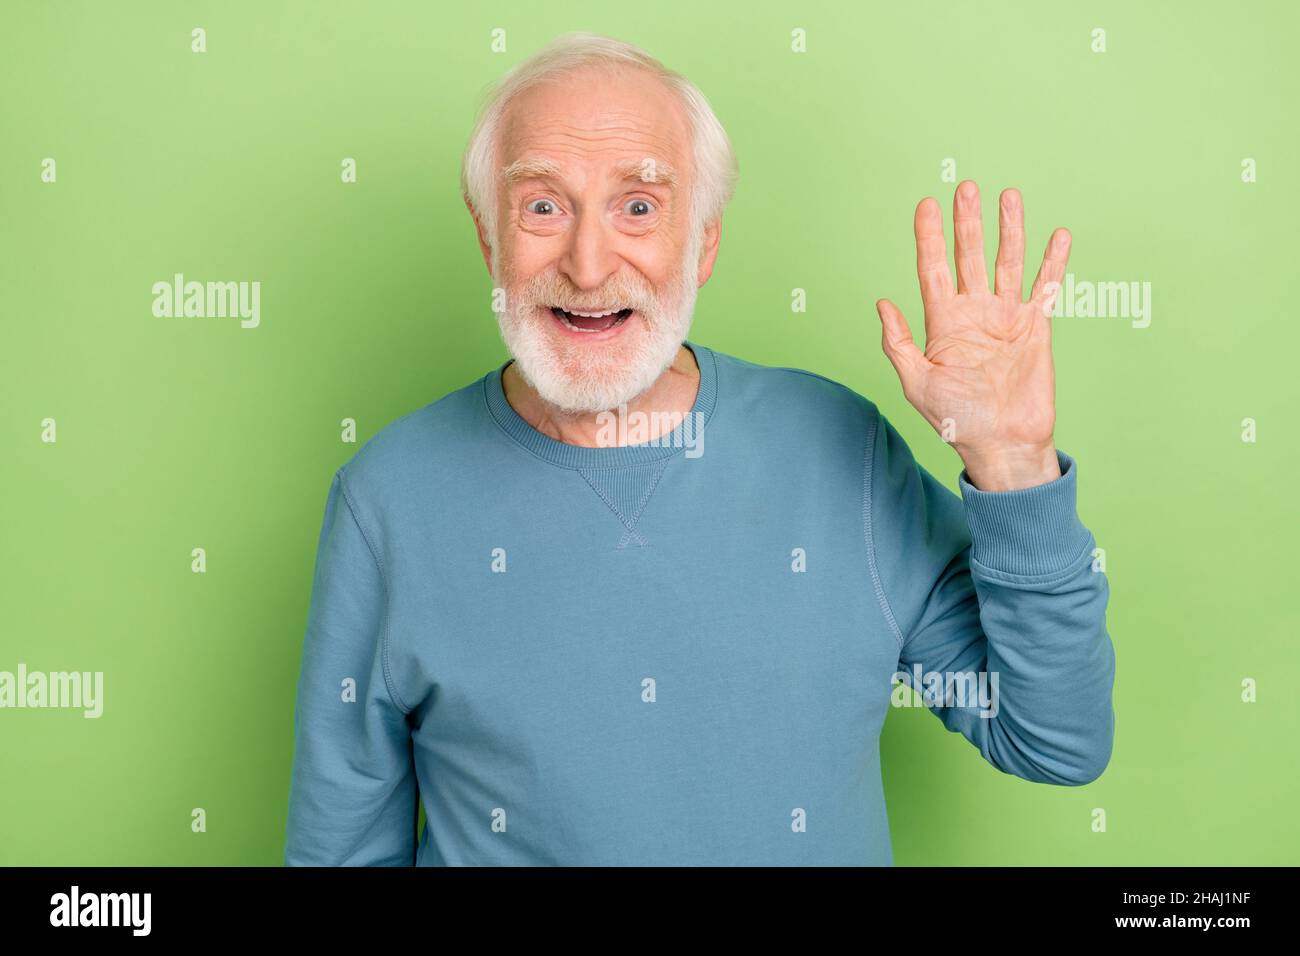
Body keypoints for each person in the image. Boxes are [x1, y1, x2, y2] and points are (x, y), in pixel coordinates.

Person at [283, 31, 1116, 866]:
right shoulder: (386, 501)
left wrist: (1011, 464)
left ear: (703, 242)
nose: (586, 260)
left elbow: (1053, 739)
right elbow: (340, 850)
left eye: (638, 207)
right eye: (542, 206)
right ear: (489, 238)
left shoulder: (842, 452)